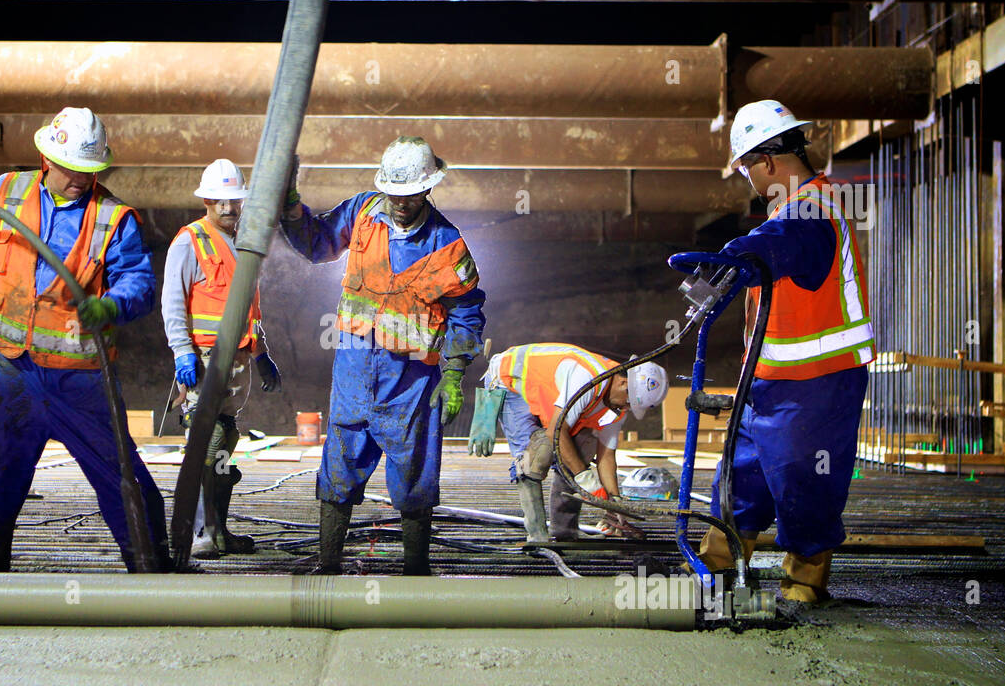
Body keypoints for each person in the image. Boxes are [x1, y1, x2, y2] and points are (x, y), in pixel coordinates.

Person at [0, 106, 172, 572]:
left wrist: (111, 305)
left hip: (80, 383)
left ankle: (154, 576)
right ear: (47, 159)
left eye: (90, 171)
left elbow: (138, 284)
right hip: (11, 373)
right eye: (72, 169)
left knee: (124, 482)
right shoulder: (6, 192)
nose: (81, 179)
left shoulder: (114, 219)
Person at [280, 137, 485, 574]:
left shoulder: (448, 244)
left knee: (413, 474)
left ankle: (415, 571)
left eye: (409, 196)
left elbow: (467, 312)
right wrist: (291, 206)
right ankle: (328, 564)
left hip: (410, 383)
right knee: (338, 466)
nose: (399, 204)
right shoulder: (362, 211)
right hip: (353, 371)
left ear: (428, 189)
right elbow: (317, 243)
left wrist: (454, 375)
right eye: (393, 194)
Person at [701, 99, 874, 603]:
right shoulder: (789, 213)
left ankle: (804, 583)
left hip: (818, 383)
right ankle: (715, 570)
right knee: (740, 477)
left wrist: (731, 259)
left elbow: (781, 245)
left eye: (746, 169)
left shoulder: (810, 212)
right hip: (770, 383)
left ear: (767, 162)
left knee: (804, 483)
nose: (748, 180)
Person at [162, 158, 282, 559]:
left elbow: (249, 307)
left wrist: (262, 354)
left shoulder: (243, 244)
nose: (228, 208)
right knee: (206, 445)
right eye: (221, 200)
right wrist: (182, 352)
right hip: (204, 362)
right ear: (207, 199)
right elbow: (173, 303)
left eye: (235, 200)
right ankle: (199, 534)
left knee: (224, 446)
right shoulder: (190, 241)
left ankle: (218, 530)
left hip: (237, 364)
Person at [470, 343, 668, 543]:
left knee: (582, 449)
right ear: (623, 383)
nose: (628, 408)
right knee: (533, 457)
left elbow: (606, 456)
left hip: (547, 396)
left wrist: (613, 501)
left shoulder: (618, 406)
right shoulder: (588, 378)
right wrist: (585, 478)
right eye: (630, 402)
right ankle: (537, 535)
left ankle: (565, 531)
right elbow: (557, 431)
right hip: (510, 380)